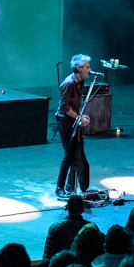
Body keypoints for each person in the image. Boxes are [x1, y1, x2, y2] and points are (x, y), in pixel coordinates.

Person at [56, 54, 94, 196]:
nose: (90, 69)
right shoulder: (69, 83)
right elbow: (64, 107)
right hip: (65, 122)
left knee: (77, 154)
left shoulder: (81, 81)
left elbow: (74, 105)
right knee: (69, 155)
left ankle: (71, 185)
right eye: (87, 67)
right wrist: (78, 117)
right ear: (79, 68)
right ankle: (59, 188)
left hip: (73, 120)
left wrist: (80, 116)